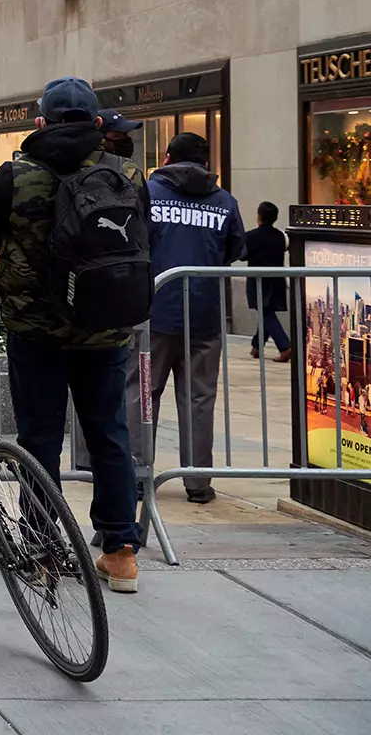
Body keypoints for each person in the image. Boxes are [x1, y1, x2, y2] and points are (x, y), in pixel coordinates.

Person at [0, 77, 149, 594]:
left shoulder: (17, 174)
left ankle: (43, 551)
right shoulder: (127, 172)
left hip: (35, 330)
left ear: (39, 122)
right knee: (109, 434)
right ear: (96, 123)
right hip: (105, 327)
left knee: (39, 438)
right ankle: (120, 551)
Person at [144, 132, 246, 505]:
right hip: (204, 315)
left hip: (153, 313)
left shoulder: (148, 195)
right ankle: (198, 482)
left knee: (142, 396)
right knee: (200, 399)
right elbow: (234, 248)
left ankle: (139, 475)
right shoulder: (224, 201)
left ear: (167, 156)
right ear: (206, 162)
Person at [245, 201, 292, 362]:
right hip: (277, 280)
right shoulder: (281, 237)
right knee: (267, 312)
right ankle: (257, 346)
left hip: (259, 281)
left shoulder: (250, 237)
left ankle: (285, 346)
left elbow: (242, 255)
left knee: (266, 313)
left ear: (258, 217)